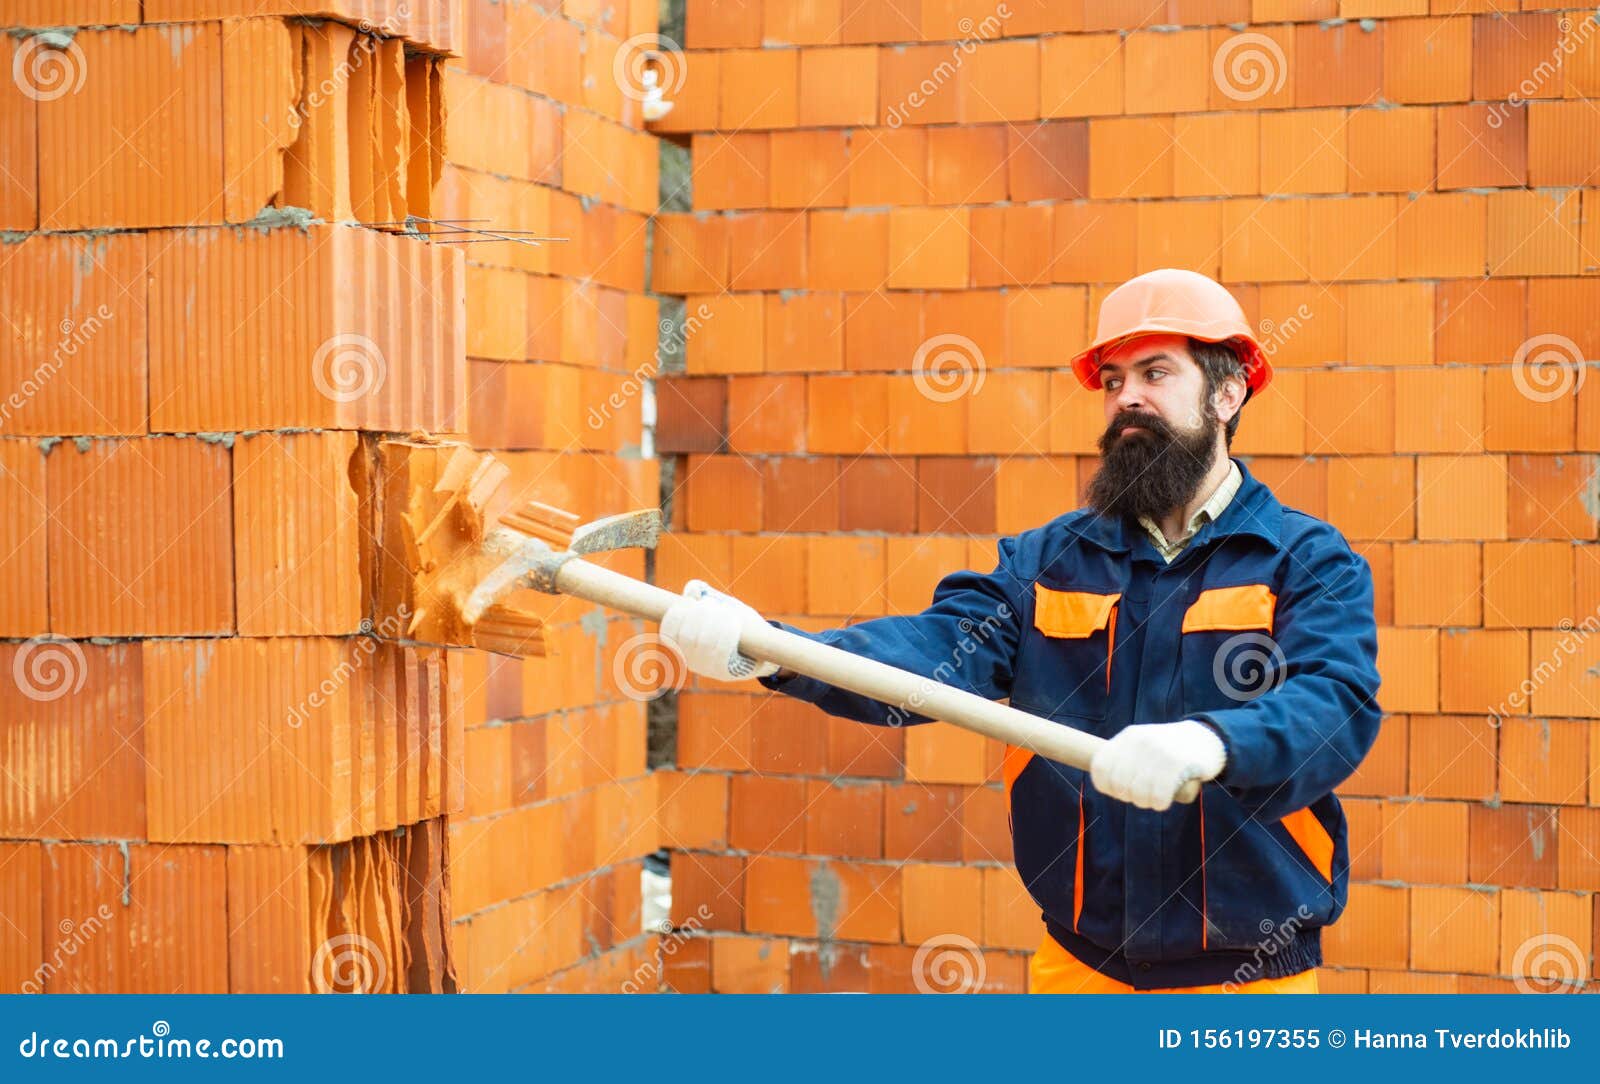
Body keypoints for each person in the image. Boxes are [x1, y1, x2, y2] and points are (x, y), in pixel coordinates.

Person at [659, 268, 1382, 994]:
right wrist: (767, 649)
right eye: (1112, 379)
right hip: (1076, 970)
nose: (1127, 395)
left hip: (1247, 982)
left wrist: (1213, 744)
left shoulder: (1304, 560)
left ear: (1228, 394)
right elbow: (930, 656)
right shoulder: (1050, 562)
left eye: (1156, 372)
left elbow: (1336, 703)